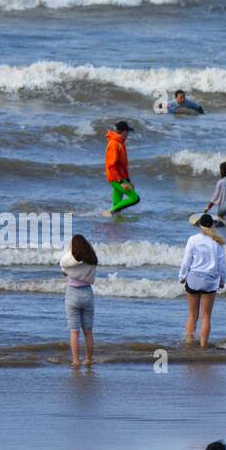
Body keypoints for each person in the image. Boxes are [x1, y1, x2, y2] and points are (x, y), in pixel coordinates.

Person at [179, 215, 226, 347]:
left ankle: (189, 344)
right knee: (205, 316)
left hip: (194, 279)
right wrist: (222, 280)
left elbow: (186, 261)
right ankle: (203, 346)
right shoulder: (217, 242)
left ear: (200, 225)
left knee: (192, 314)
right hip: (210, 281)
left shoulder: (193, 239)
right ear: (212, 225)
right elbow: (222, 265)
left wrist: (182, 276)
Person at [60, 234, 98, 367]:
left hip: (72, 294)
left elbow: (64, 271)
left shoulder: (71, 261)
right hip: (87, 293)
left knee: (74, 331)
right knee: (88, 331)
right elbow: (90, 275)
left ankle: (76, 361)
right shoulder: (91, 259)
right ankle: (88, 360)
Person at [104, 121, 140, 216]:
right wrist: (121, 182)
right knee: (135, 198)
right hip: (115, 178)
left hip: (121, 177)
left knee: (117, 206)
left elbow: (122, 166)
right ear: (124, 132)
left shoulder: (120, 143)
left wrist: (128, 180)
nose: (128, 134)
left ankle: (115, 223)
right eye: (127, 132)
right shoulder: (114, 144)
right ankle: (109, 212)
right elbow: (112, 166)